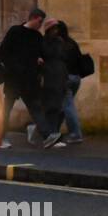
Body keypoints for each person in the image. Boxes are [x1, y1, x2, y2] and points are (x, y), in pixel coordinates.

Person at [0, 7, 59, 148]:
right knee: (7, 109)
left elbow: (41, 53)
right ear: (35, 18)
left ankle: (47, 136)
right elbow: (5, 52)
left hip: (29, 80)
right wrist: (12, 67)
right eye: (40, 22)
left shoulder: (37, 37)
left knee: (35, 107)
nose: (40, 25)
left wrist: (40, 60)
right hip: (14, 78)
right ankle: (0, 138)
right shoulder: (15, 31)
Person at [39, 20, 70, 148]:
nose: (56, 31)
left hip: (60, 76)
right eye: (54, 29)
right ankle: (51, 135)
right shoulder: (44, 42)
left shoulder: (59, 42)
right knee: (52, 108)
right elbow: (46, 55)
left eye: (57, 29)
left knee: (59, 108)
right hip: (50, 77)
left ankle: (53, 133)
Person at [56, 20, 86, 144]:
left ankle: (76, 134)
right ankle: (54, 130)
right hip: (76, 78)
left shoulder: (59, 44)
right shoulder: (72, 42)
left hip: (66, 78)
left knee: (68, 106)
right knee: (64, 105)